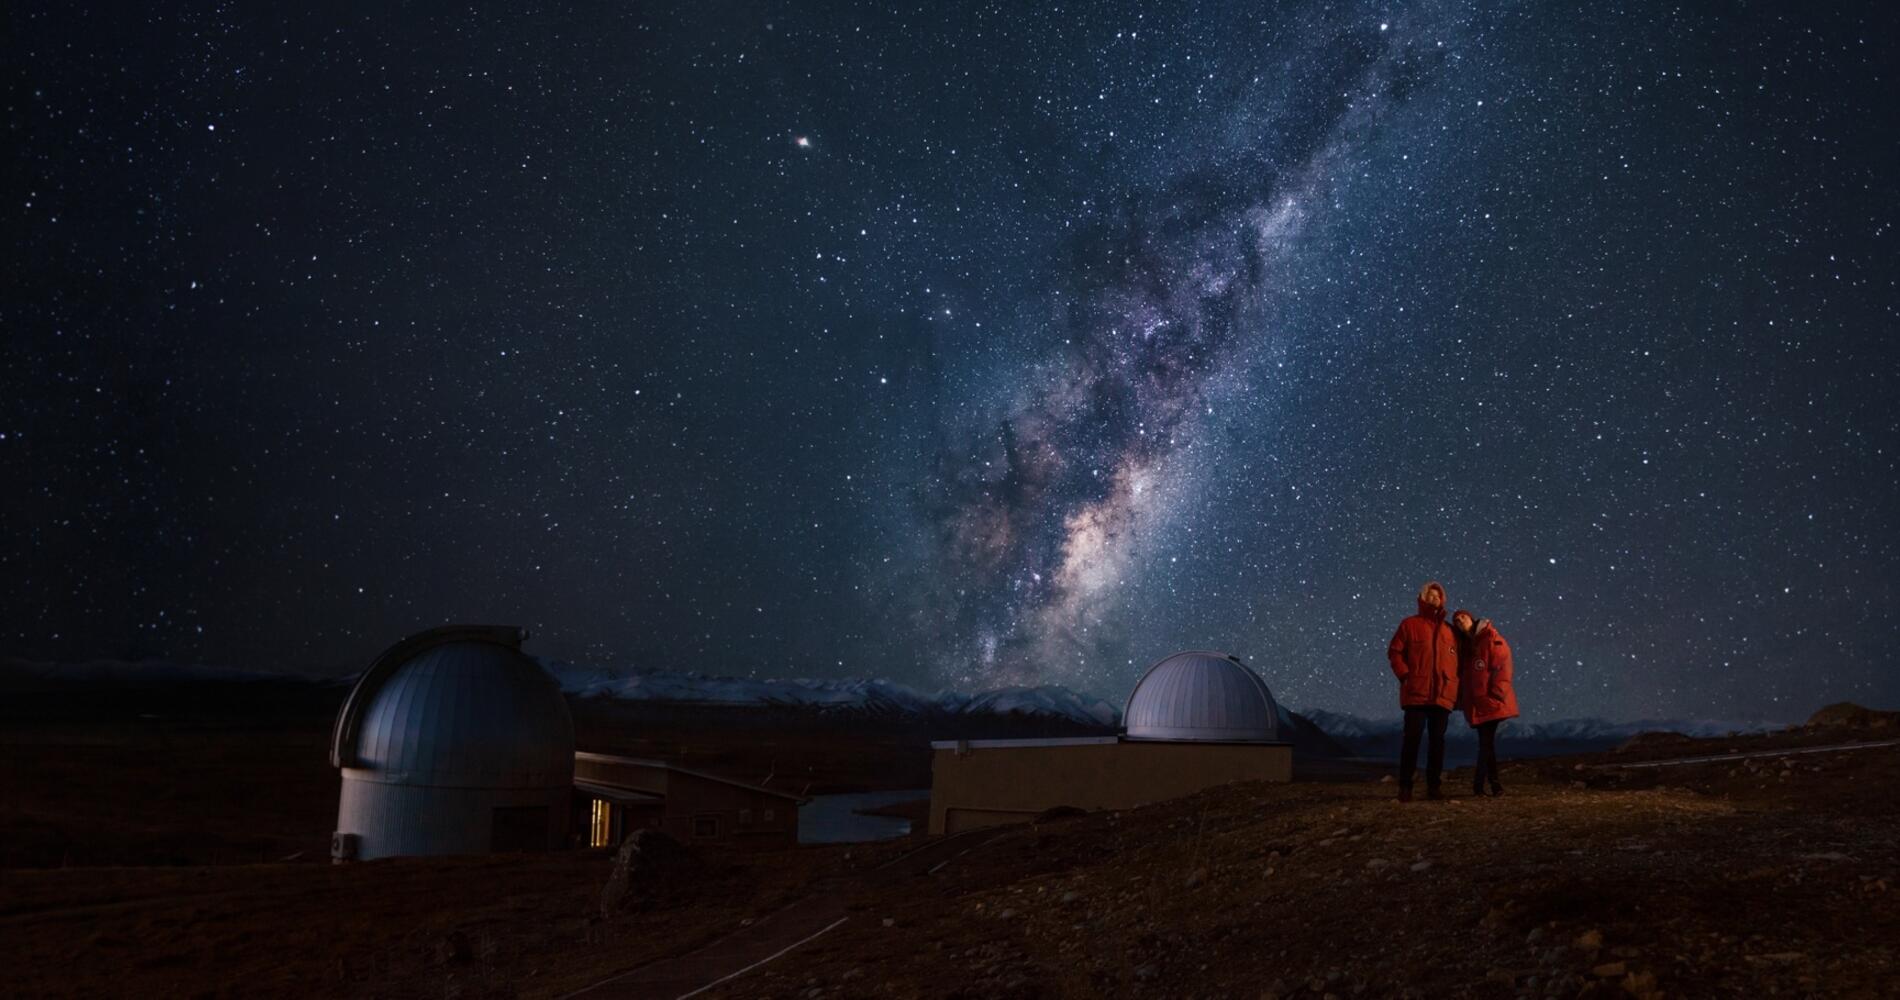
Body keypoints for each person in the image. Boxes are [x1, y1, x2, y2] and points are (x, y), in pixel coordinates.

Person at [1387, 580, 1459, 801]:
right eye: (1430, 595)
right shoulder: (1409, 624)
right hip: (1416, 692)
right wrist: (1405, 675)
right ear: (1422, 598)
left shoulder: (1450, 631)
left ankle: (1433, 787)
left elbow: (1459, 660)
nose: (1434, 599)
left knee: (1438, 742)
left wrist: (1454, 684)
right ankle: (1405, 787)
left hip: (1442, 694)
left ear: (1443, 599)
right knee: (1412, 740)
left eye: (1438, 596)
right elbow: (1395, 652)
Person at [1452, 609, 1519, 797]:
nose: (1460, 621)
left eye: (1463, 617)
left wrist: (1497, 693)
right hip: (1477, 703)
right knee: (1487, 745)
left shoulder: (1490, 637)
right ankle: (1494, 785)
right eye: (1456, 620)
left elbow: (1503, 665)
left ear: (1472, 618)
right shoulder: (1465, 647)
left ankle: (1479, 785)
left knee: (1486, 744)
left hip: (1490, 701)